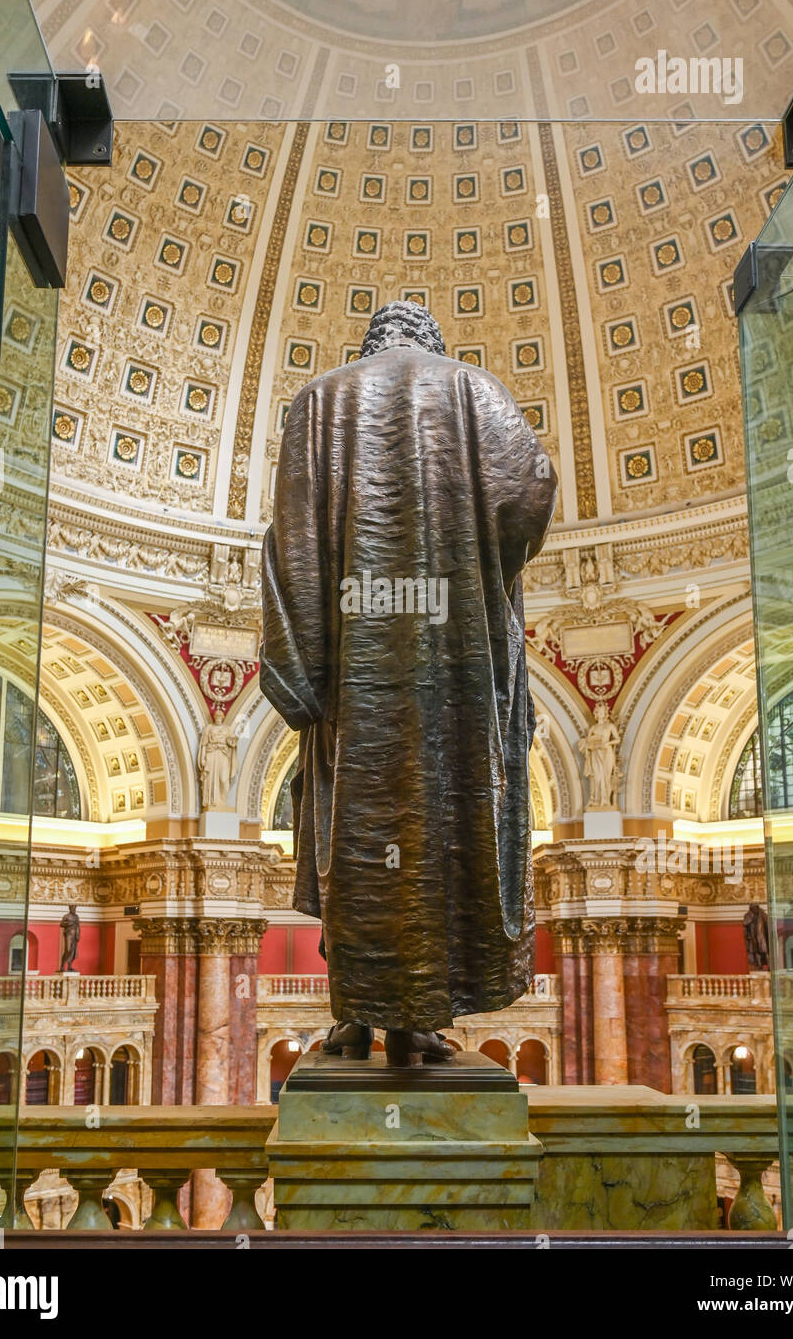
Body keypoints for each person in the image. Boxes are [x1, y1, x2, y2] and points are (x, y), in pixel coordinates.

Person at [261, 301, 557, 1067]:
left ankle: (355, 1016)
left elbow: (289, 542)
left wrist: (303, 663)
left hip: (353, 670)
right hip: (452, 665)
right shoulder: (475, 389)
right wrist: (478, 564)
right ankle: (418, 1018)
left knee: (357, 832)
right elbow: (529, 494)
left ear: (371, 340)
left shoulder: (318, 399)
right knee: (441, 825)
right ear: (430, 339)